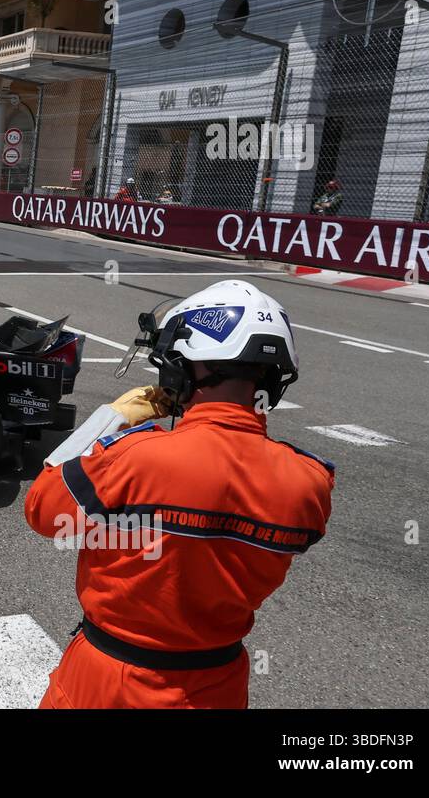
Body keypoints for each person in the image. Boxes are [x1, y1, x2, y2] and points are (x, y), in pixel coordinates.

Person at [25, 280, 334, 708]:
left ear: (185, 370)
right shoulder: (310, 481)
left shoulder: (136, 456)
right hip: (218, 685)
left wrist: (109, 419)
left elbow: (42, 509)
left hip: (109, 679)